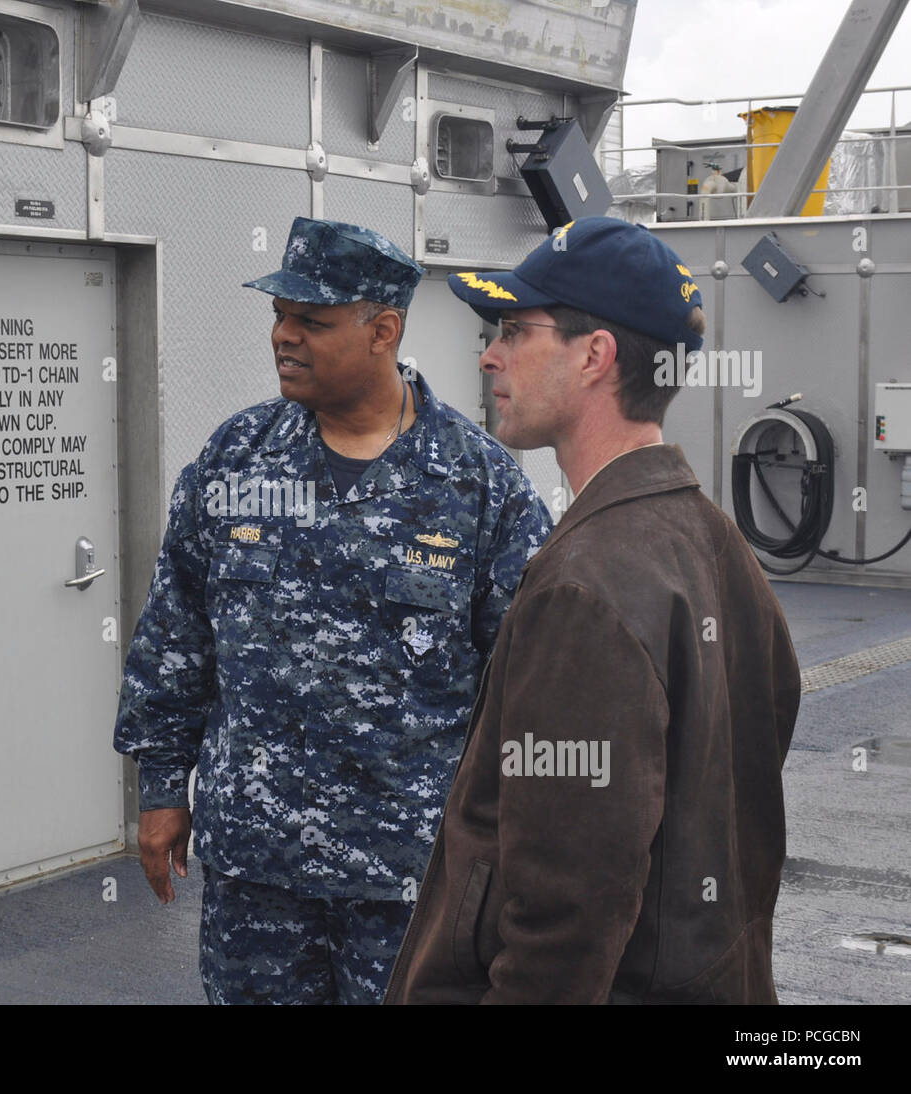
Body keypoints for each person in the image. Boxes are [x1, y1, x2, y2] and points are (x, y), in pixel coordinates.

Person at [114, 216, 551, 1004]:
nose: (284, 337)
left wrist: (512, 844)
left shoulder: (478, 483)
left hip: (409, 872)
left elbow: (527, 682)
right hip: (256, 869)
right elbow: (175, 636)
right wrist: (162, 787)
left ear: (383, 331)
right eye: (279, 316)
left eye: (312, 321)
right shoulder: (237, 458)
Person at [384, 216, 801, 1005]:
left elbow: (566, 918)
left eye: (516, 330)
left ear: (595, 356)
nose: (490, 354)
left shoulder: (585, 588)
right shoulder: (717, 544)